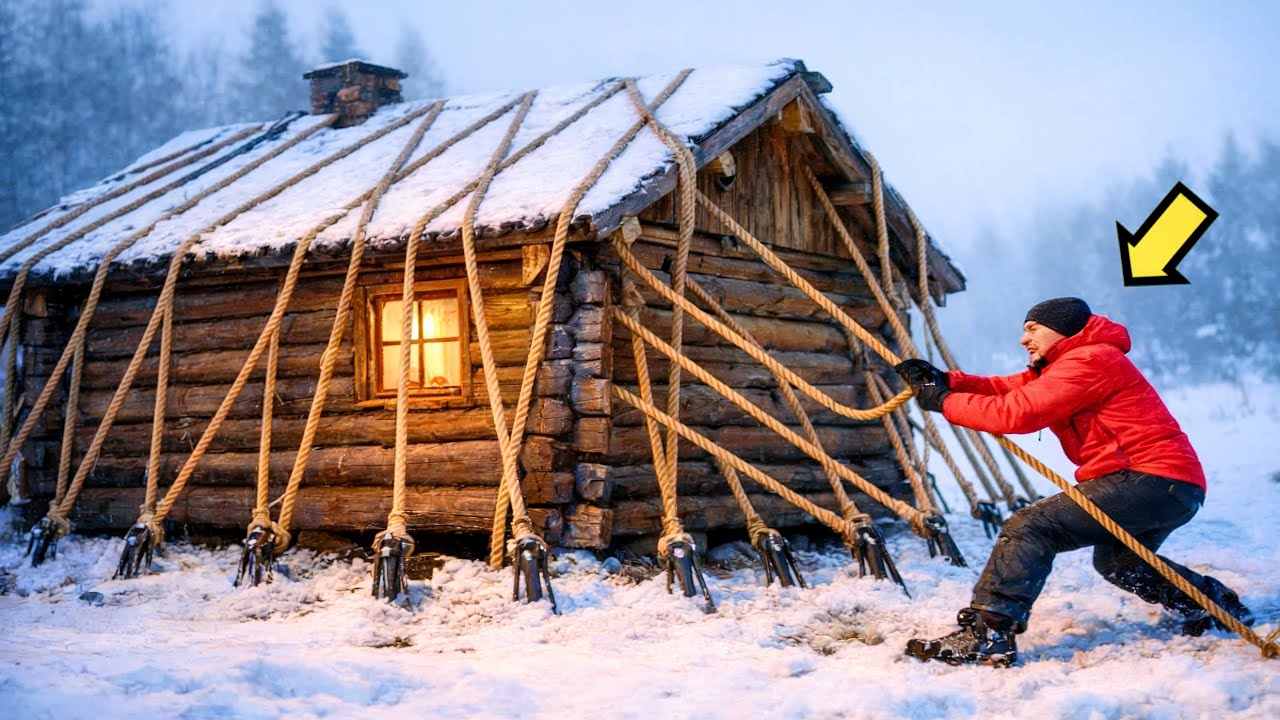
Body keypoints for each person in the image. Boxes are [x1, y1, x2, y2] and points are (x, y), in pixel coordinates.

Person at [895, 297, 1254, 667]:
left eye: (1033, 329)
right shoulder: (1071, 364)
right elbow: (1010, 388)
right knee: (1119, 563)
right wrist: (950, 381)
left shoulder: (1090, 360)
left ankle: (988, 634)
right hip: (1172, 486)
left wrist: (943, 401)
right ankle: (1215, 606)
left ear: (1062, 328)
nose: (1023, 339)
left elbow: (1017, 412)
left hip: (1149, 477)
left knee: (1031, 526)